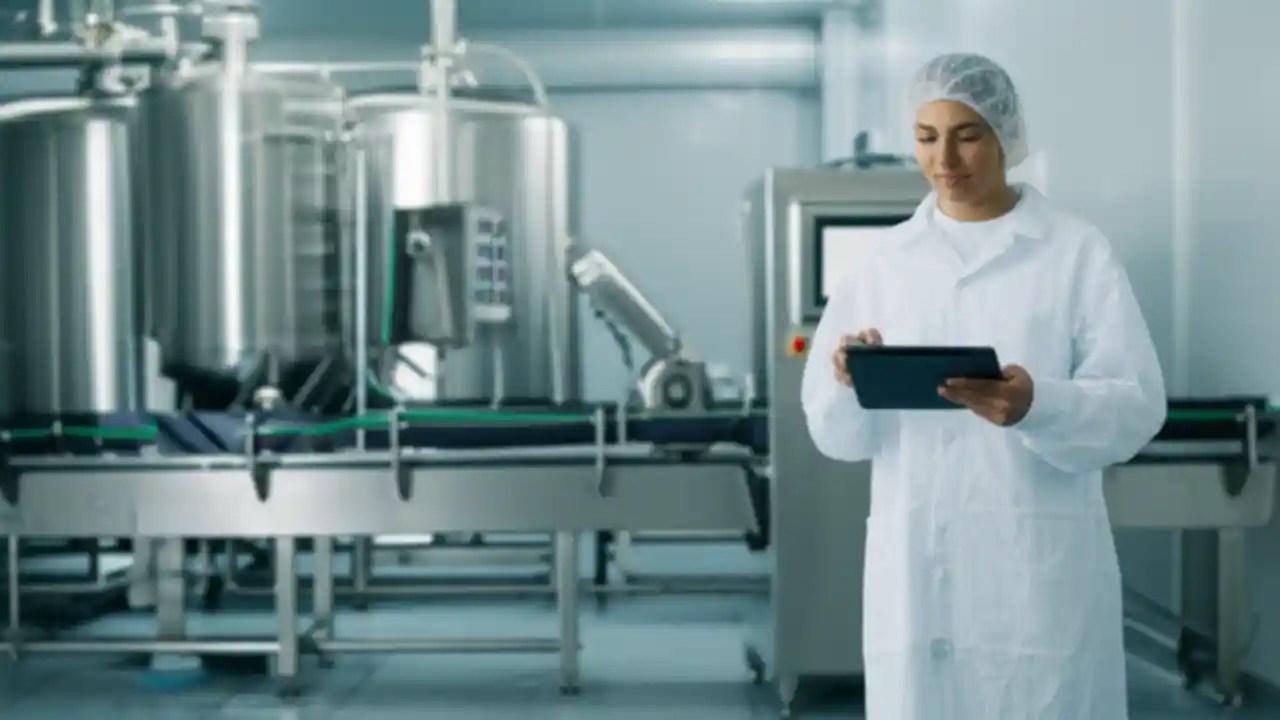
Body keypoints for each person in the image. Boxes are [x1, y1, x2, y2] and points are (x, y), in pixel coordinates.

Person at [800, 53, 1167, 719]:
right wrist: (847, 379)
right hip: (916, 574)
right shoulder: (882, 264)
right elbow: (833, 433)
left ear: (1005, 134)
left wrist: (1041, 405)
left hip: (1036, 578)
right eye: (926, 136)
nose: (945, 158)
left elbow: (1137, 404)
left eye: (966, 134)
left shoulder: (1074, 252)